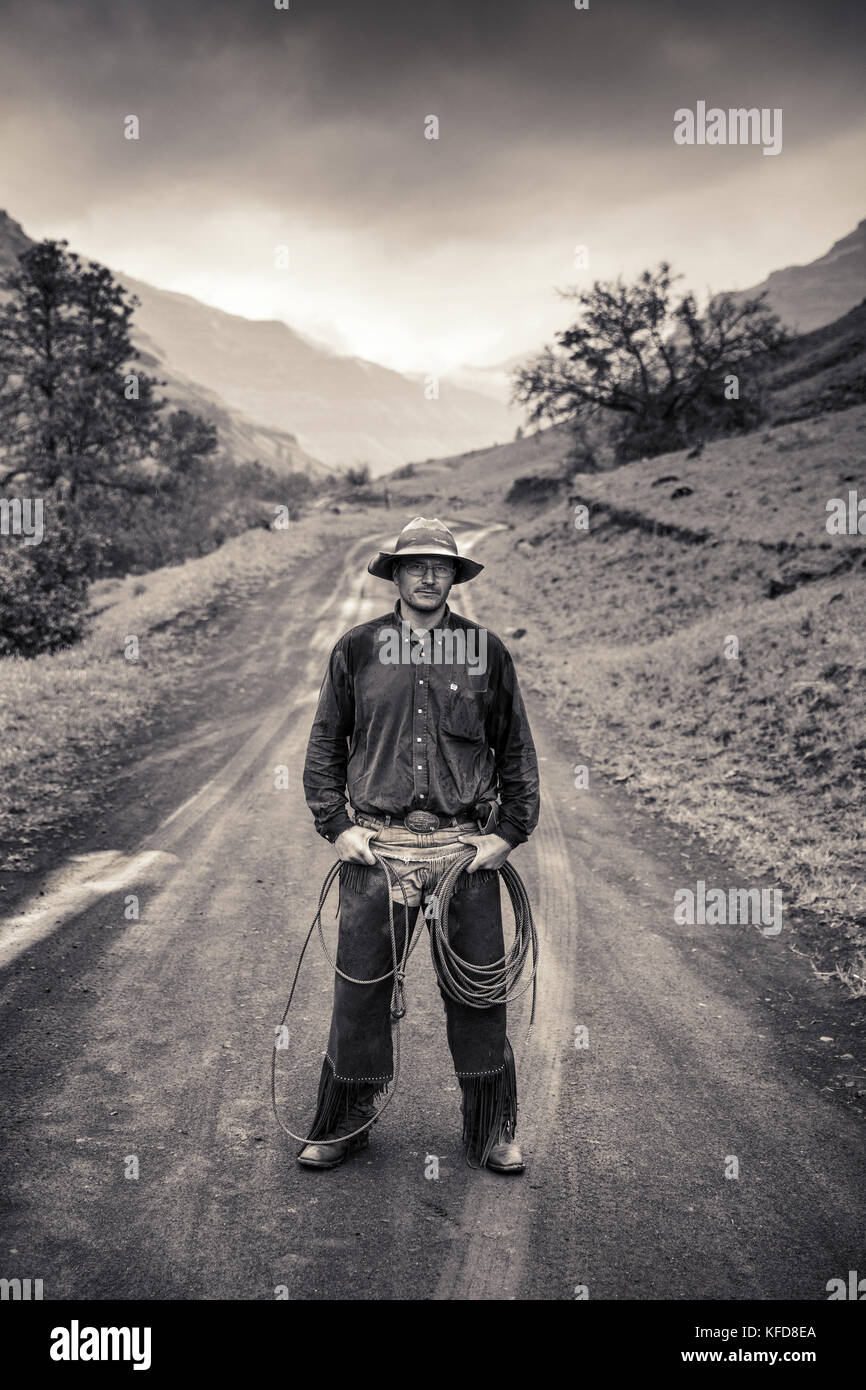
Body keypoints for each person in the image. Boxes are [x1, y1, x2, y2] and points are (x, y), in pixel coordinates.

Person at [300, 516, 540, 1172]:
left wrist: (508, 834)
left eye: (441, 566)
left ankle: (490, 1128)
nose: (429, 576)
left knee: (479, 991)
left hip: (465, 852)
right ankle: (346, 1120)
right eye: (416, 566)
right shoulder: (357, 650)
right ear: (397, 575)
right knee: (361, 989)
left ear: (454, 577)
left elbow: (515, 750)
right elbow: (325, 744)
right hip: (379, 849)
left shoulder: (486, 652)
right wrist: (338, 825)